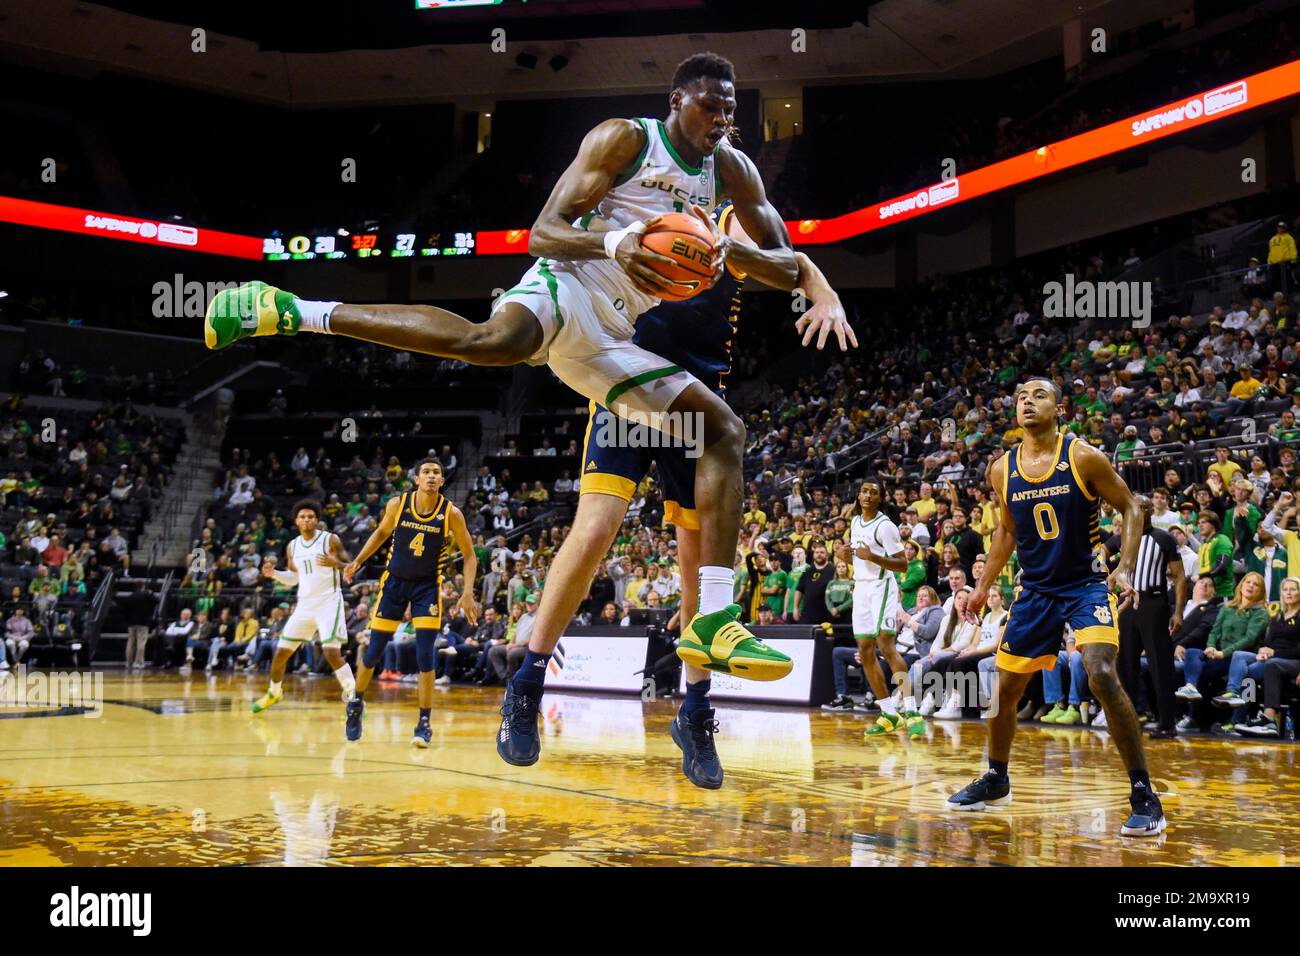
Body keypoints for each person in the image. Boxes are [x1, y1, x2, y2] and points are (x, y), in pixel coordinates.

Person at [206, 53, 855, 765]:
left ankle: (716, 624)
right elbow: (543, 229)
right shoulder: (624, 139)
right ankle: (298, 308)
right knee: (496, 344)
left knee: (725, 432)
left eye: (732, 110)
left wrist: (777, 271)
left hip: (622, 346)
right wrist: (617, 240)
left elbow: (785, 258)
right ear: (677, 101)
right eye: (710, 106)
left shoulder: (731, 174)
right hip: (570, 284)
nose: (722, 119)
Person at [947, 378, 1167, 838]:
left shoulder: (1083, 455)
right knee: (1005, 691)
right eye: (1020, 396)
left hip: (1087, 584)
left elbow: (1129, 507)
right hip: (1036, 590)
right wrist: (983, 585)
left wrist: (1124, 568)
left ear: (1060, 407)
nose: (1027, 401)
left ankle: (1144, 792)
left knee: (1101, 673)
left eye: (1038, 395)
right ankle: (996, 778)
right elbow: (1006, 532)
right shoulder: (1002, 469)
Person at [342, 460, 480, 746]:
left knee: (425, 655)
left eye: (436, 473)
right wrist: (358, 560)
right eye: (426, 472)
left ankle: (424, 723)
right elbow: (381, 533)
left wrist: (468, 592)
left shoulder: (451, 513)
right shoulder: (397, 504)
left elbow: (470, 554)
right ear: (416, 478)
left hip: (427, 587)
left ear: (442, 481)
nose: (431, 476)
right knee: (374, 651)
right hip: (393, 583)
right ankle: (356, 703)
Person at [252, 500, 359, 723]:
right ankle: (274, 692)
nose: (307, 519)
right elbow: (295, 578)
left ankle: (353, 700)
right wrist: (274, 574)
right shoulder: (292, 546)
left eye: (311, 516)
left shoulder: (330, 539)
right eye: (303, 517)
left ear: (317, 520)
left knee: (331, 653)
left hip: (329, 603)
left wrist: (335, 563)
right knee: (281, 652)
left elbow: (350, 567)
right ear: (296, 521)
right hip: (305, 606)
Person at [847, 479, 926, 739]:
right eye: (865, 491)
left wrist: (873, 557)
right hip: (861, 588)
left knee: (886, 645)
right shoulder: (855, 521)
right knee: (865, 649)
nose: (868, 496)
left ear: (881, 498)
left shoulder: (886, 526)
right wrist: (847, 556)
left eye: (874, 492)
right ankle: (889, 713)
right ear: (858, 495)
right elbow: (857, 555)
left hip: (882, 587)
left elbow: (902, 565)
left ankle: (912, 711)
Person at [1104, 495, 1187, 739]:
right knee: (1125, 664)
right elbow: (1101, 551)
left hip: (1154, 603)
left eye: (1144, 506)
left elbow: (1180, 576)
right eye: (1137, 506)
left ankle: (1167, 723)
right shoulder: (1122, 538)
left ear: (1151, 510)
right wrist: (1106, 574)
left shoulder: (1164, 538)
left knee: (1160, 664)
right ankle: (1129, 721)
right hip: (1127, 605)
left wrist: (1179, 611)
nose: (1141, 510)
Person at [1237, 577, 1300, 736]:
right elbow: (1267, 642)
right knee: (1246, 669)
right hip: (1274, 659)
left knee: (1272, 665)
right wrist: (1262, 652)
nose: (1289, 593)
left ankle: (1270, 720)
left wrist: (1274, 654)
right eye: (1285, 590)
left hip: (1294, 662)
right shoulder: (1277, 616)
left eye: (1293, 589)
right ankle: (1244, 716)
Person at [122, 580, 155, 671]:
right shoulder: (146, 595)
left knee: (130, 642)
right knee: (141, 642)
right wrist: (150, 593)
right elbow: (157, 601)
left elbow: (125, 611)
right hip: (143, 622)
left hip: (131, 623)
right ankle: (139, 662)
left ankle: (128, 662)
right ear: (142, 587)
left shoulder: (130, 597)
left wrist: (127, 621)